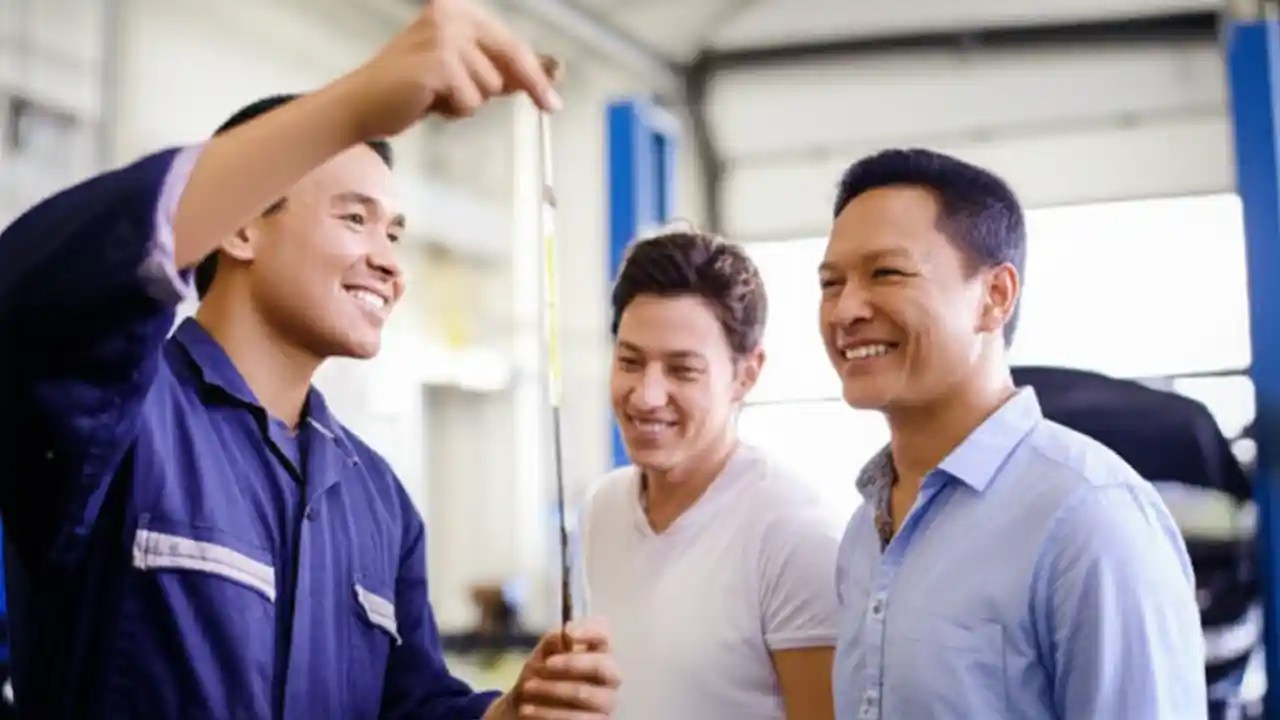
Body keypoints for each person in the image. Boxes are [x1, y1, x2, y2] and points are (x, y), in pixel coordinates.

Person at [0, 1, 620, 718]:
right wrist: (352, 105)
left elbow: (409, 706)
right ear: (240, 228)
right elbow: (39, 291)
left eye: (394, 233)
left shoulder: (379, 501)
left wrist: (510, 713)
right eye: (355, 218)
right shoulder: (121, 417)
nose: (389, 262)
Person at [817, 148, 1208, 718]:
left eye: (887, 273)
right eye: (831, 283)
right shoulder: (865, 532)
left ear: (995, 295)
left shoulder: (1088, 517)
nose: (845, 310)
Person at [577, 230, 844, 719]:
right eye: (630, 362)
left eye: (682, 370)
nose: (646, 396)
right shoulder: (603, 508)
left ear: (747, 374)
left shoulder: (795, 533)